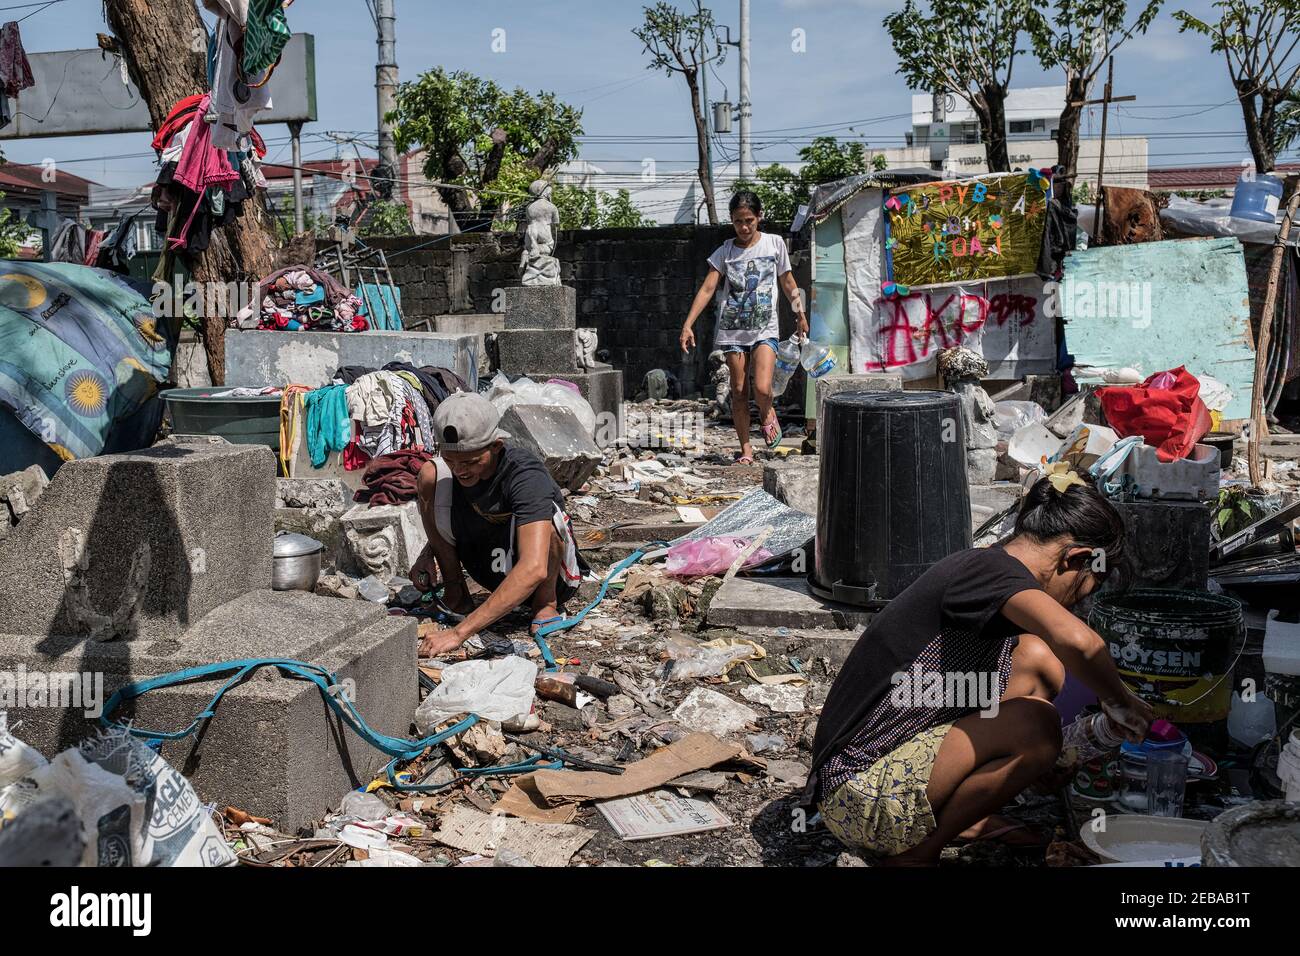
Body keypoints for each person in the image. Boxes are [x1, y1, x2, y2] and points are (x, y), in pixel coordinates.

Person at [807, 472, 1154, 865]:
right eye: (1088, 585)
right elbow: (1081, 642)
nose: (1076, 604)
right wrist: (1120, 701)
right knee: (1036, 725)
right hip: (857, 796)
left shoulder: (990, 570)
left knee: (1039, 663)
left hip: (883, 776)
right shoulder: (986, 572)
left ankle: (958, 815)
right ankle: (917, 853)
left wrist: (1033, 766)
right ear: (1075, 558)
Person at [410, 392, 583, 658]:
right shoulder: (449, 472)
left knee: (546, 527)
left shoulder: (525, 475)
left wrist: (458, 634)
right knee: (429, 475)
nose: (460, 470)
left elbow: (534, 567)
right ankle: (457, 594)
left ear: (496, 447)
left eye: (470, 461)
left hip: (541, 574)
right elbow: (455, 508)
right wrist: (428, 552)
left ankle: (545, 604)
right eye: (451, 460)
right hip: (488, 564)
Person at [680, 191, 808, 464]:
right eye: (738, 221)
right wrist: (688, 324)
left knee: (762, 388)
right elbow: (707, 288)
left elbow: (788, 283)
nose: (745, 227)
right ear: (732, 221)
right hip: (733, 332)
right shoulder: (725, 251)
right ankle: (746, 449)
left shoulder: (774, 244)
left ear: (759, 217)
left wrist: (800, 314)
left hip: (765, 329)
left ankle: (766, 411)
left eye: (749, 220)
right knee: (739, 391)